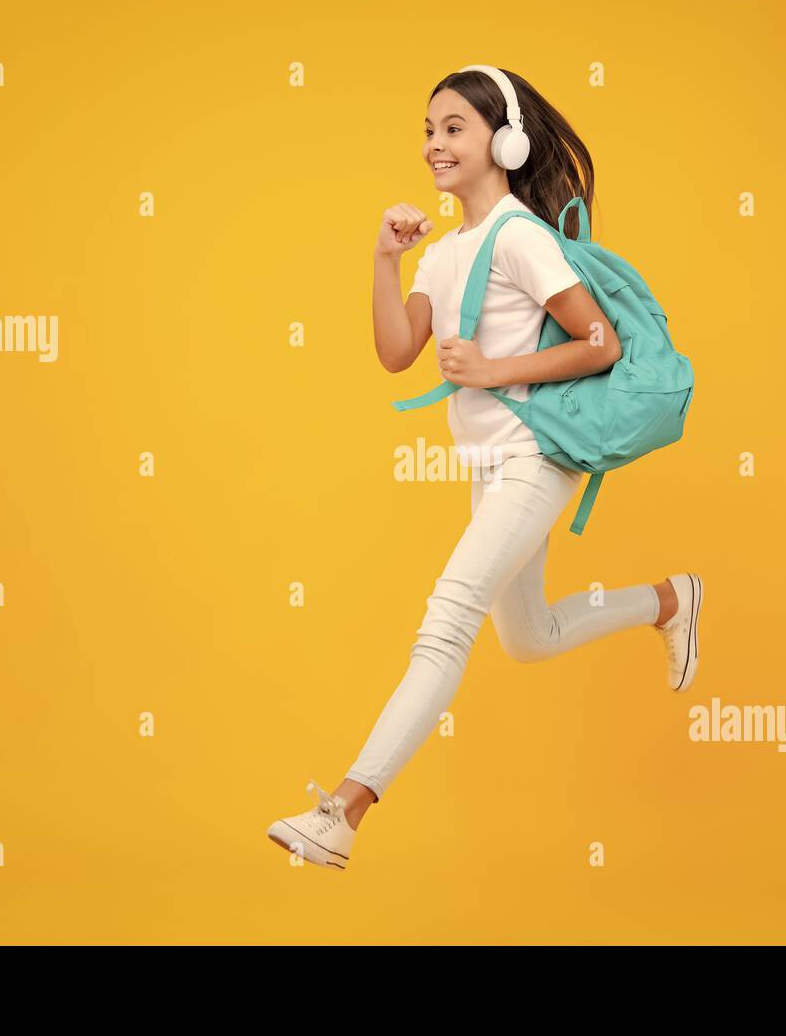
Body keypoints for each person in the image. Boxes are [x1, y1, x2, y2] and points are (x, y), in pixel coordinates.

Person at [266, 65, 702, 871]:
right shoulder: (449, 250)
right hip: (490, 466)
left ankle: (343, 812)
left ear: (503, 140)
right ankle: (669, 600)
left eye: (454, 128)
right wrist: (387, 261)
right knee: (529, 638)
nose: (435, 144)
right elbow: (399, 354)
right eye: (429, 131)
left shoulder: (521, 236)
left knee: (447, 621)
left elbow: (599, 342)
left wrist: (494, 373)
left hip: (537, 456)